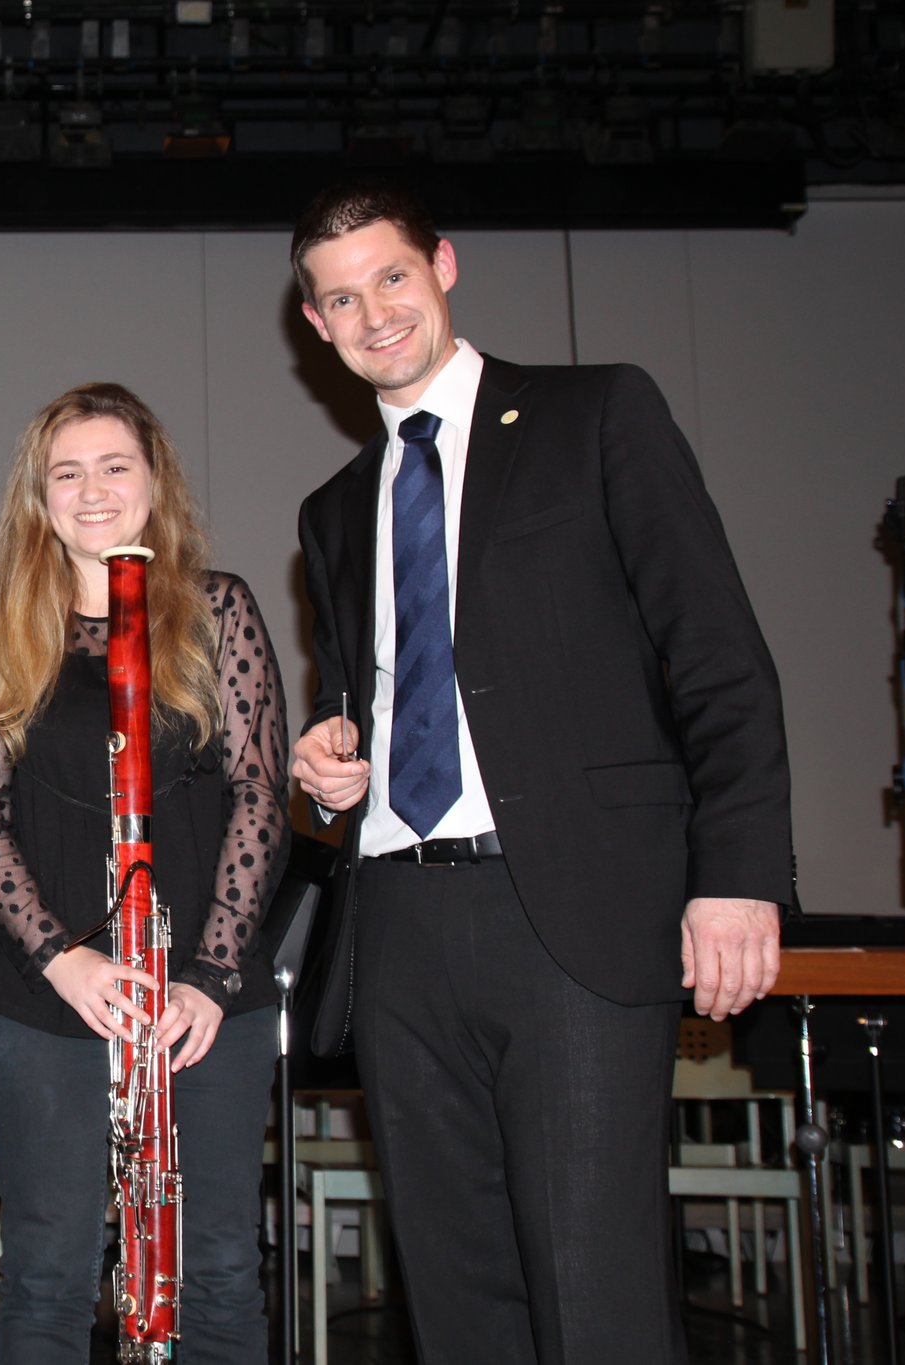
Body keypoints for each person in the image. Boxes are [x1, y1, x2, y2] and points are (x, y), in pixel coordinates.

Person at [287, 182, 793, 1363]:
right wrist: (326, 754)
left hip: (567, 911)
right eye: (341, 299)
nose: (373, 315)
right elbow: (371, 692)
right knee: (457, 1302)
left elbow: (716, 657)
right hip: (399, 924)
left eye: (392, 279)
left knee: (592, 1293)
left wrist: (736, 876)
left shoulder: (594, 414)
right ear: (314, 326)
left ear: (443, 267)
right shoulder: (333, 510)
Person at [0, 382, 289, 1363]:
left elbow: (259, 796)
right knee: (48, 1275)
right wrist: (62, 960)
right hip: (45, 998)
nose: (90, 490)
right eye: (65, 473)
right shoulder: (5, 632)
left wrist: (211, 975)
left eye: (113, 466)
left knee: (220, 1266)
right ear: (36, 498)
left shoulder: (218, 611)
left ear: (153, 481)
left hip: (204, 1002)